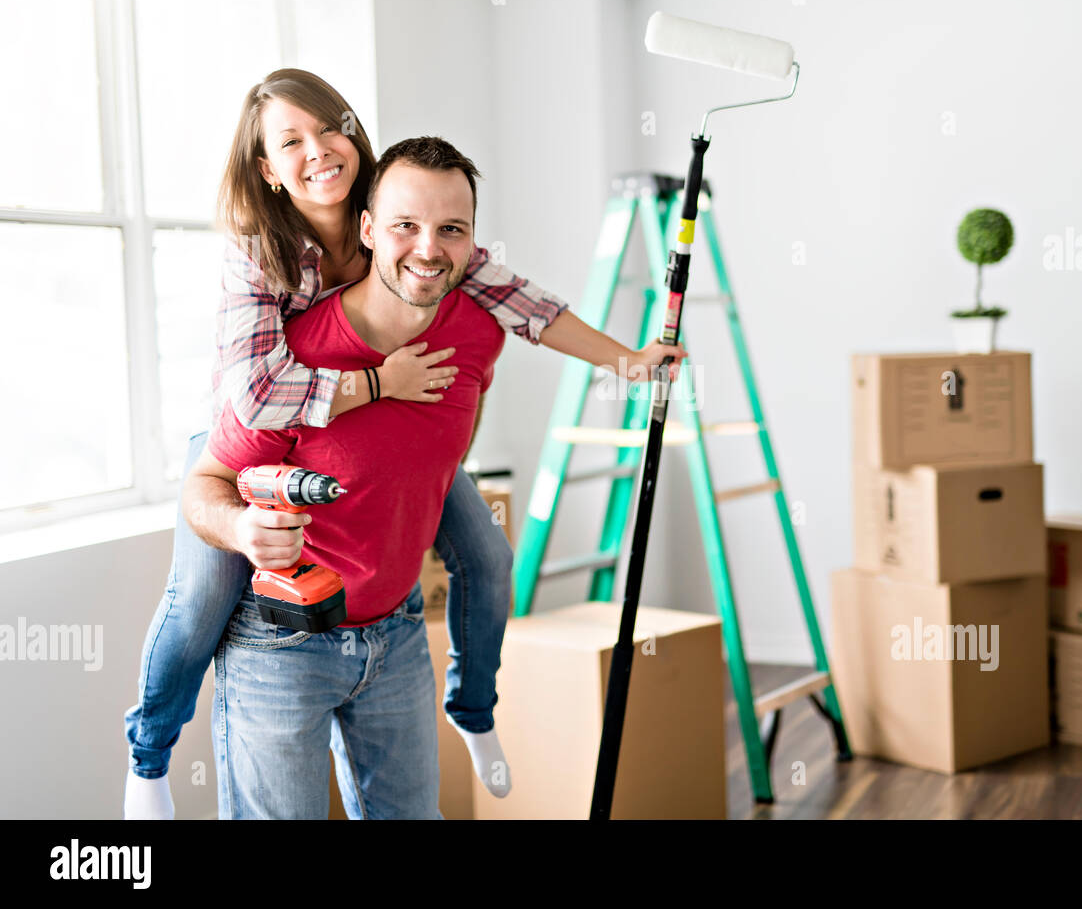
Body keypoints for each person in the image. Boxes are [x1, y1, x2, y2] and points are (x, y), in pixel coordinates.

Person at [122, 69, 687, 818]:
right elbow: (255, 395)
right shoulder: (261, 254)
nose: (318, 151)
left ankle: (474, 711)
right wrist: (378, 385)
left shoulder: (407, 215)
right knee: (202, 596)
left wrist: (629, 361)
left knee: (487, 556)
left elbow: (528, 307)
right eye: (291, 142)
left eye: (330, 129)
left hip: (373, 434)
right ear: (266, 168)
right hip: (252, 417)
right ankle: (150, 754)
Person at [191, 136, 511, 817]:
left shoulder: (479, 336)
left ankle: (475, 709)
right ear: (367, 230)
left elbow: (444, 454)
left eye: (451, 229)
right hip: (281, 643)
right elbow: (204, 486)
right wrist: (243, 527)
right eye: (405, 225)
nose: (429, 249)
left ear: (472, 240)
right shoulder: (299, 356)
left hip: (395, 638)